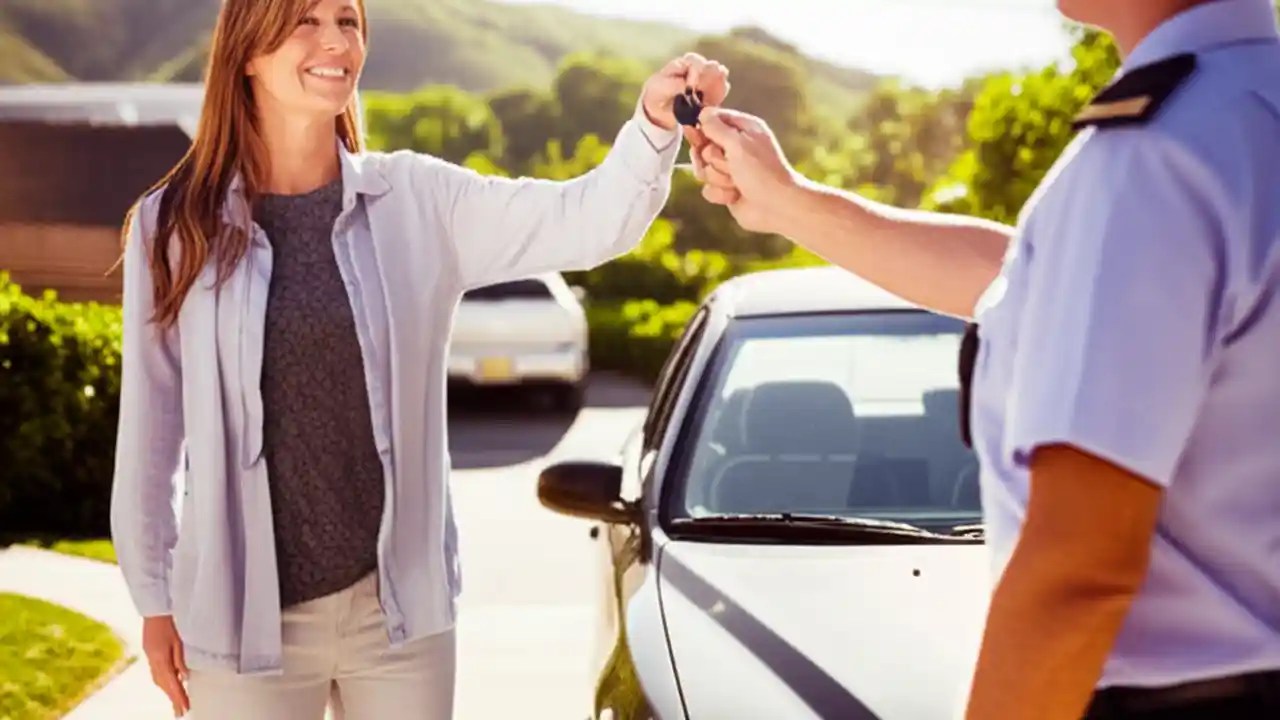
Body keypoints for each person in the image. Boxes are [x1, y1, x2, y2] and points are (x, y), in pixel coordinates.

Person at [108, 0, 728, 717]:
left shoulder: (417, 200)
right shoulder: (175, 224)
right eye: (305, 21)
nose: (336, 41)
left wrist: (652, 127)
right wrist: (153, 599)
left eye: (347, 20)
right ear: (247, 50)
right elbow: (151, 436)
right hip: (241, 623)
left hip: (398, 620)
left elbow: (584, 221)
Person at [688, 0, 1280, 718]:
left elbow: (1078, 571)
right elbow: (1021, 280)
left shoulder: (1154, 158)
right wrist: (789, 204)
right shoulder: (1242, 114)